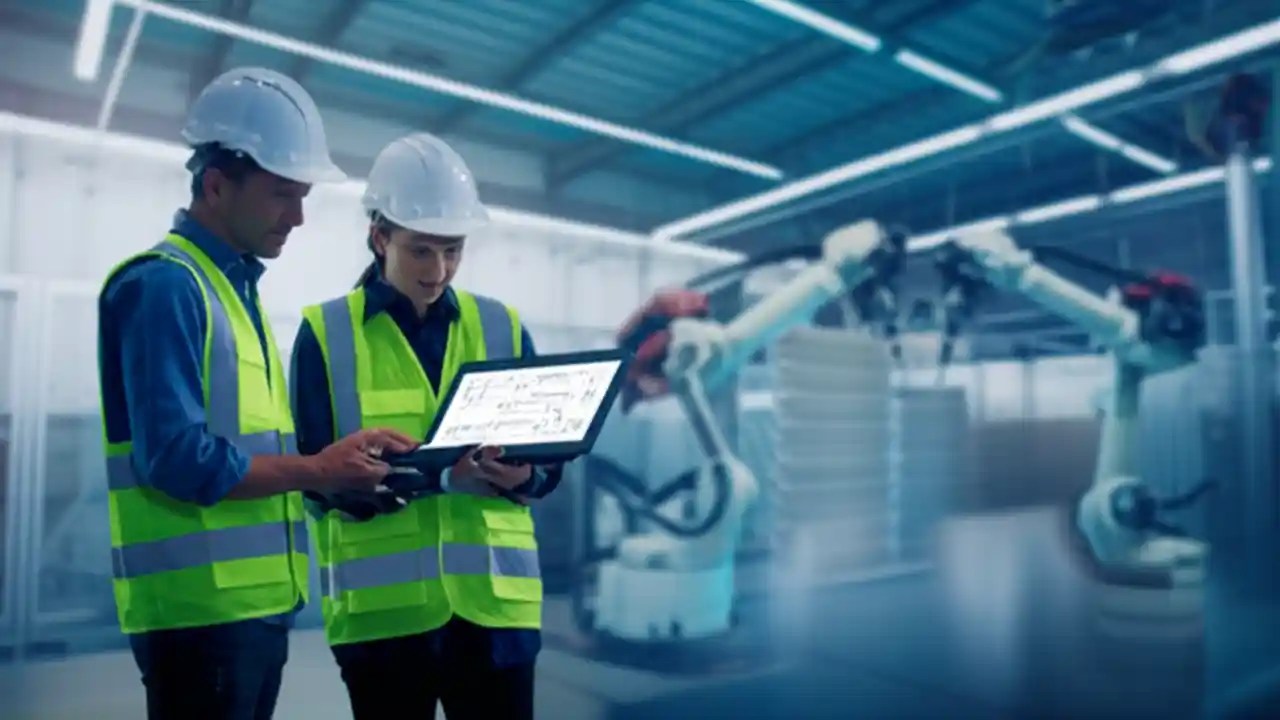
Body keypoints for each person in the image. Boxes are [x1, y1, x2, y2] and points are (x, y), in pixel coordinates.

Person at [96, 66, 417, 720]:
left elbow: (246, 444)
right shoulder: (166, 286)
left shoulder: (233, 290)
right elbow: (176, 458)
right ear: (216, 185)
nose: (297, 217)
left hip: (250, 609)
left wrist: (332, 469)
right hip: (200, 615)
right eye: (281, 195)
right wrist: (317, 469)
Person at [290, 132, 564, 720]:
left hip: (497, 617)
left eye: (453, 251)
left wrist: (523, 478)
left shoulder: (502, 327)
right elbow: (317, 482)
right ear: (379, 237)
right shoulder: (326, 335)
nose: (438, 271)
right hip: (384, 625)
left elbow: (547, 469)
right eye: (420, 251)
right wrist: (438, 480)